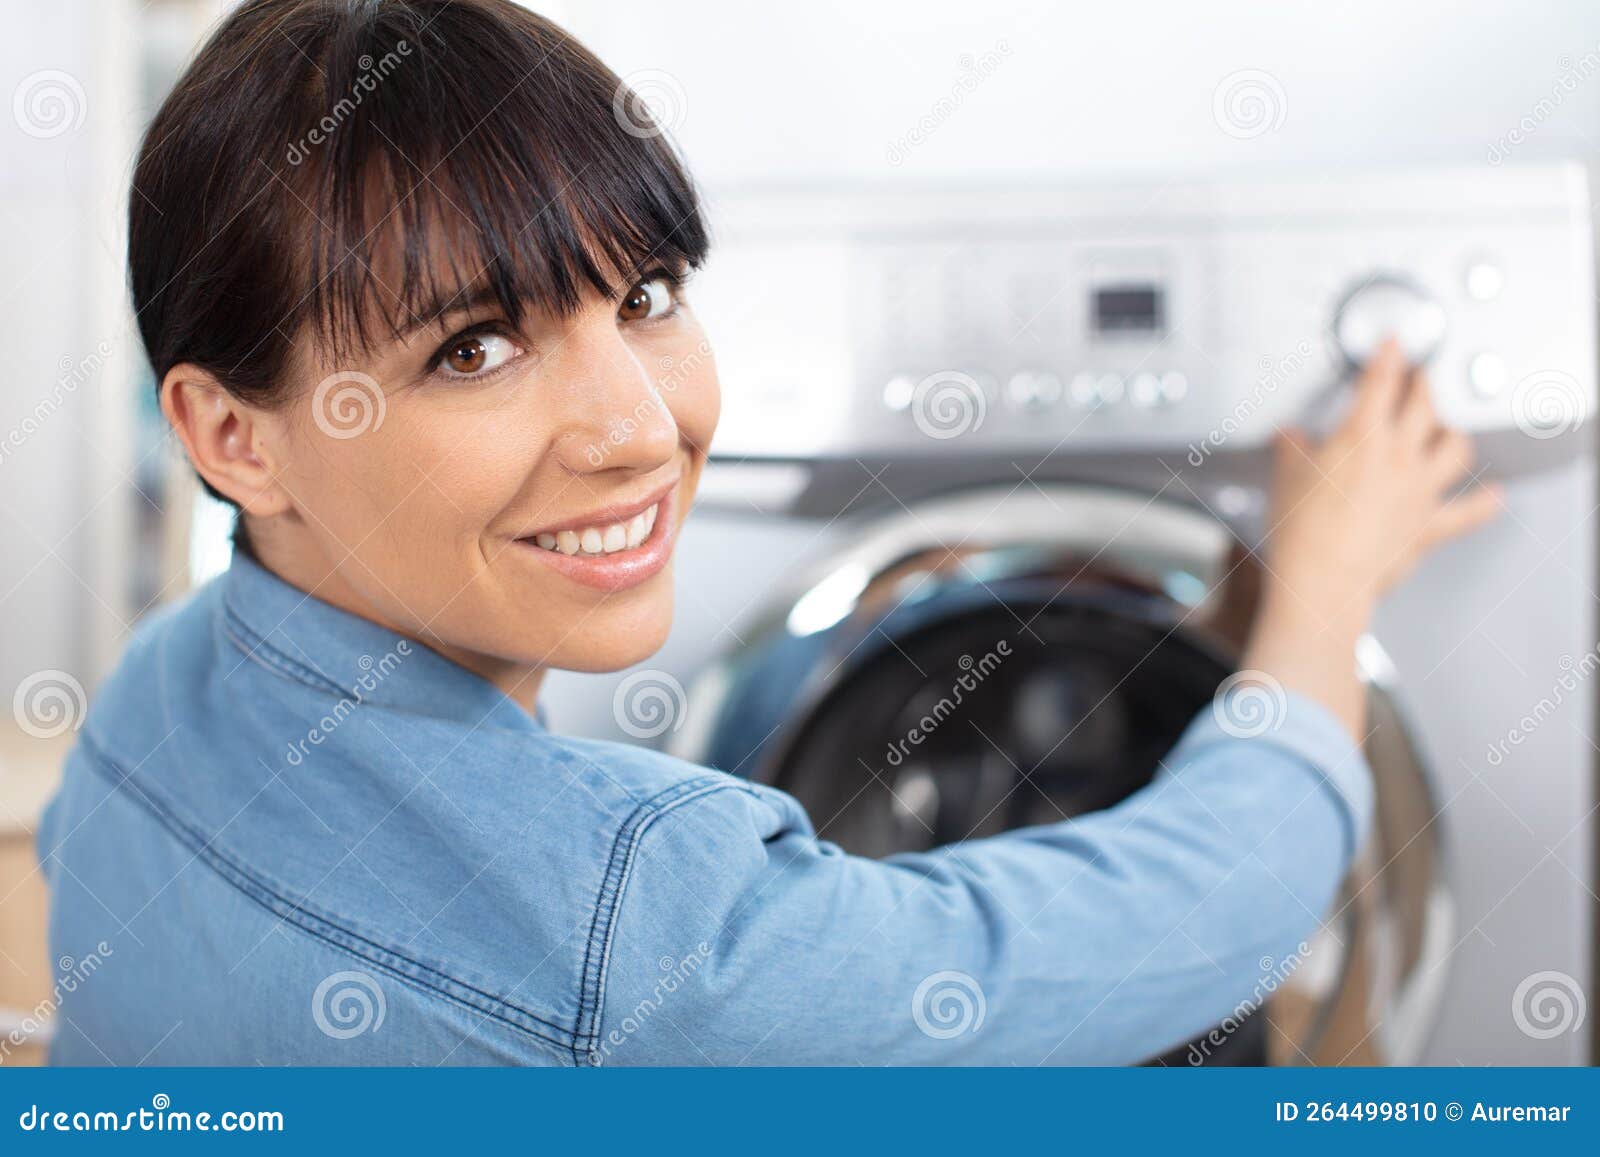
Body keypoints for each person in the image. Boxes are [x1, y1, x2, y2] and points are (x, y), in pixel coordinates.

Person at [38, 0, 1498, 1065]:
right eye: (473, 348)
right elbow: (1207, 918)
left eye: (649, 295)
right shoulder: (641, 919)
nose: (637, 428)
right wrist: (1324, 586)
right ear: (231, 434)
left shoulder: (158, 691)